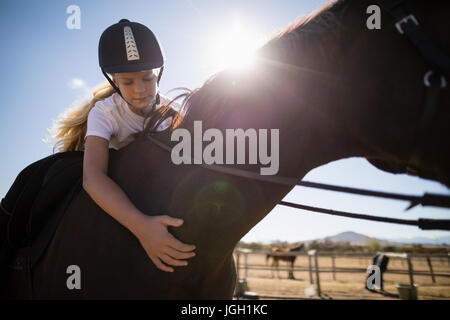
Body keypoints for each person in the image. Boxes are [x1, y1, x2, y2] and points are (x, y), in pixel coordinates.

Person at [50, 19, 196, 272]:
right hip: (112, 188)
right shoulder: (104, 113)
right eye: (128, 82)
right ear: (115, 82)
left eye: (147, 78)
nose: (140, 90)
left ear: (158, 73)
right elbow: (93, 177)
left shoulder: (174, 115)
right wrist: (143, 227)